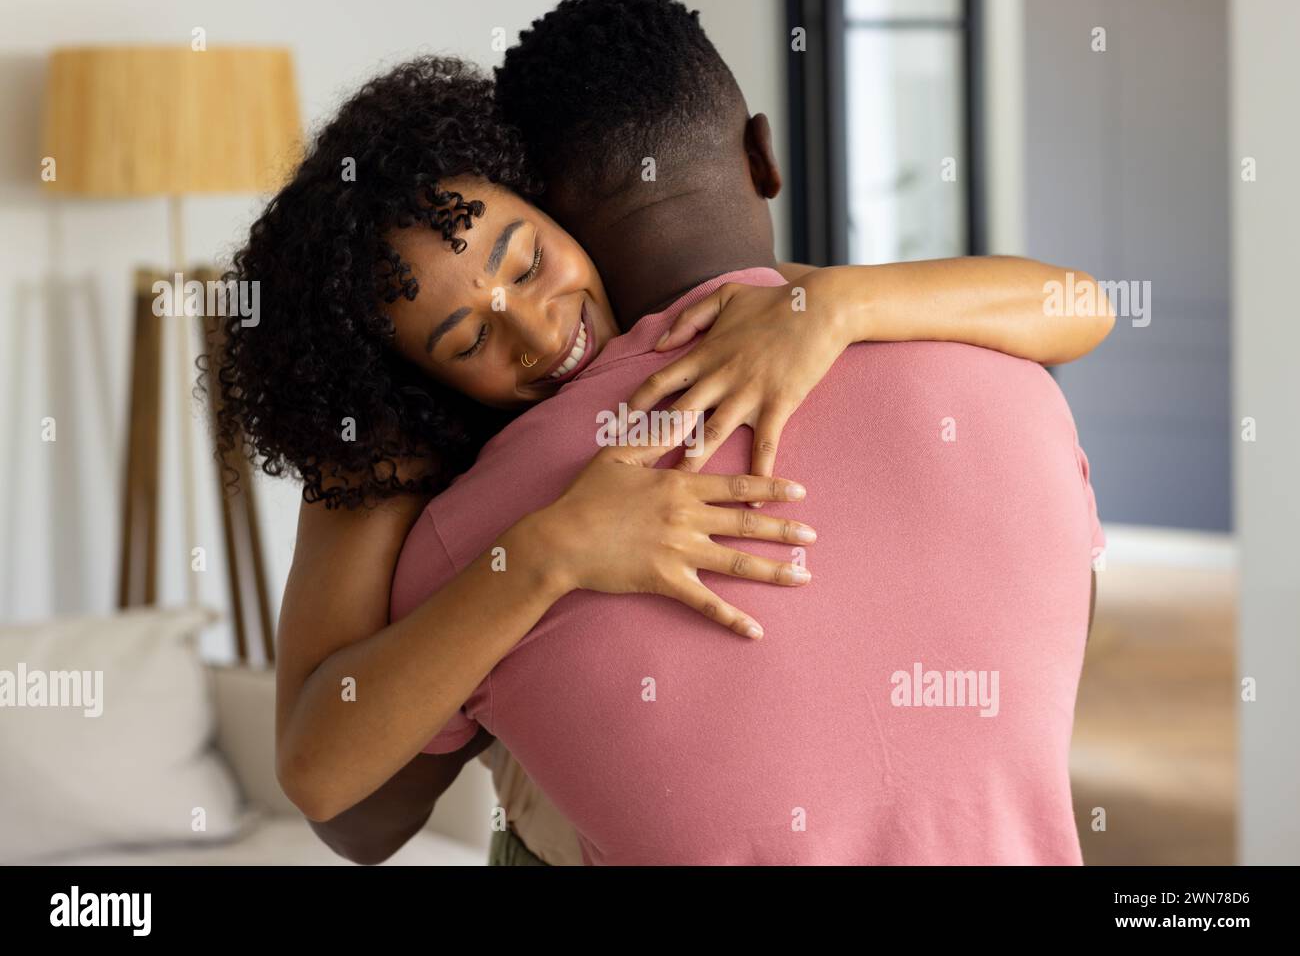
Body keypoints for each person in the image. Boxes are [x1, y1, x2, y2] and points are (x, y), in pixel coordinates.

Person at [211, 42, 1109, 864]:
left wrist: (836, 307)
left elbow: (1079, 304)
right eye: (464, 340)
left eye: (527, 264)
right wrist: (545, 553)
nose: (536, 329)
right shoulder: (402, 478)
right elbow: (335, 792)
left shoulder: (765, 314)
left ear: (554, 205)